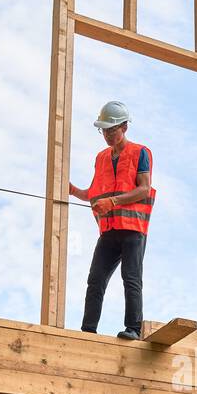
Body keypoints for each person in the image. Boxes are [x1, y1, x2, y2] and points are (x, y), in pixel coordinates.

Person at [69, 101, 156, 340]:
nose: (107, 134)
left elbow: (144, 189)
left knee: (131, 278)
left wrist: (114, 202)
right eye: (104, 130)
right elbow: (94, 193)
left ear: (124, 127)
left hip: (133, 229)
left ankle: (133, 329)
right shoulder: (101, 158)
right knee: (95, 279)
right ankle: (88, 330)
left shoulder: (140, 153)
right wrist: (73, 190)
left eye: (111, 129)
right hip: (108, 230)